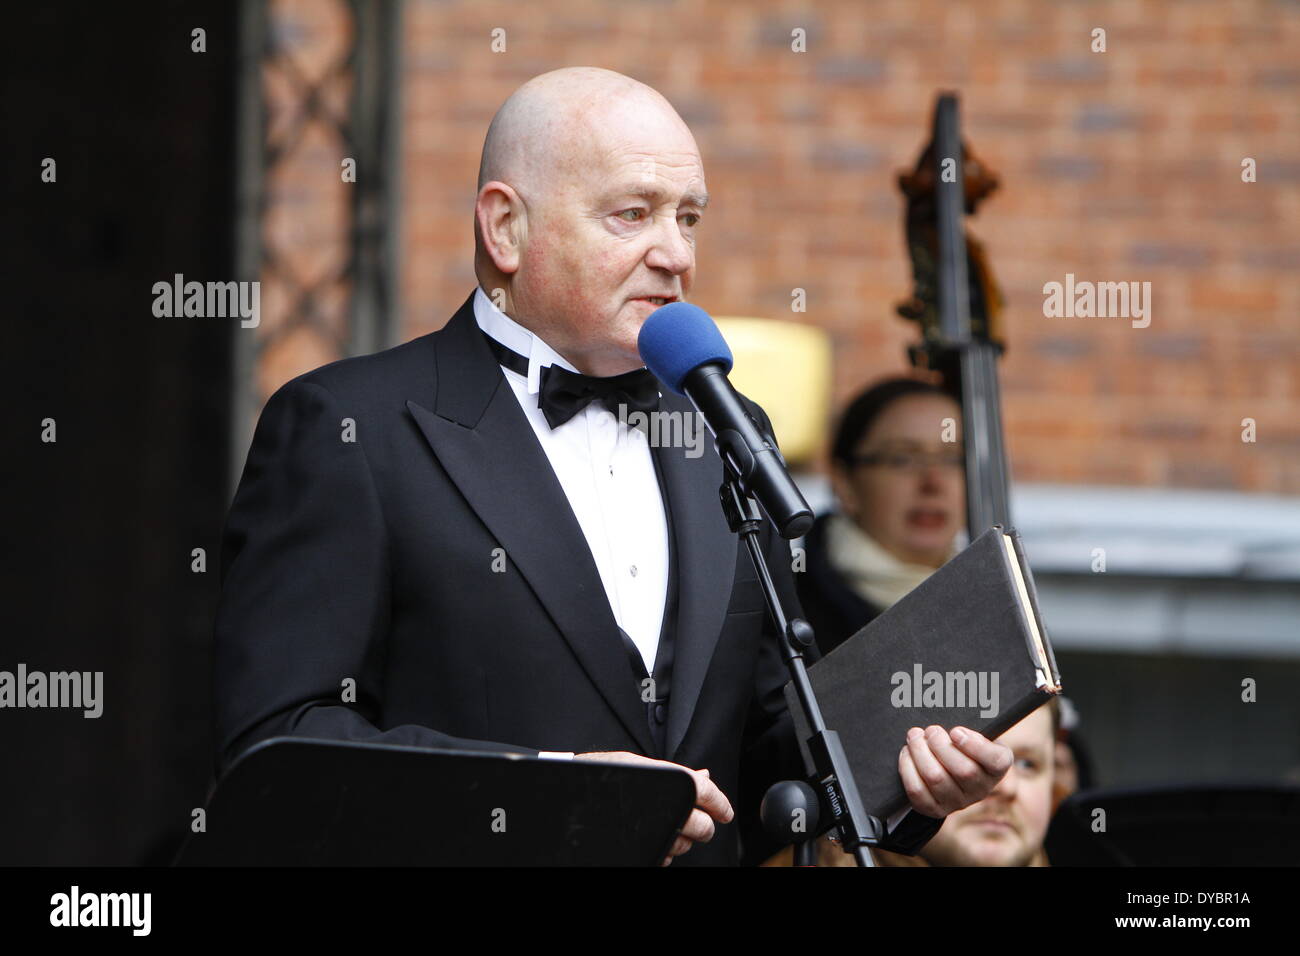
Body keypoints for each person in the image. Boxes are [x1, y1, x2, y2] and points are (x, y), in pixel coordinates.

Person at [212, 67, 1012, 866]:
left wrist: (905, 775)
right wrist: (549, 795)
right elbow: (282, 745)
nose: (674, 254)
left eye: (689, 219)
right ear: (507, 229)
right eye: (633, 215)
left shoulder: (723, 429)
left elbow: (765, 751)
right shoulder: (350, 427)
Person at [798, 377, 966, 655]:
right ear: (845, 483)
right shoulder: (786, 615)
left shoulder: (994, 604)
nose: (933, 482)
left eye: (952, 459)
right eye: (902, 459)